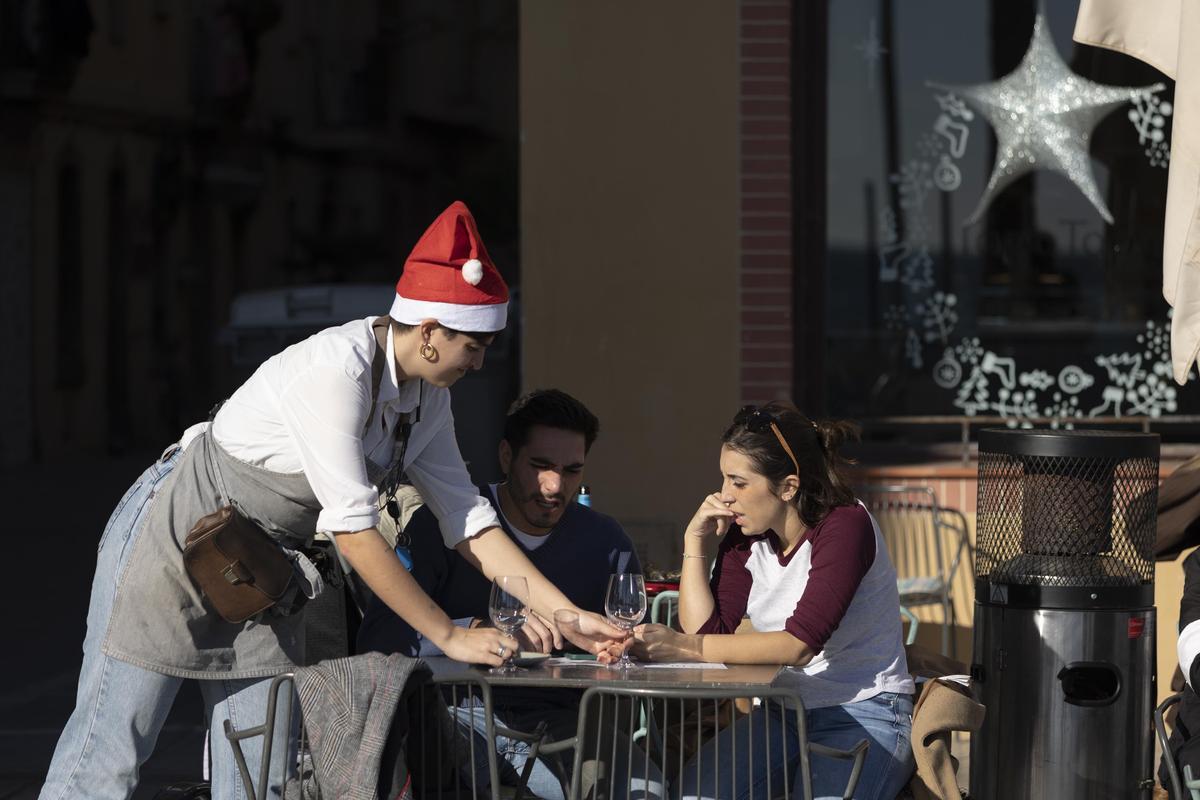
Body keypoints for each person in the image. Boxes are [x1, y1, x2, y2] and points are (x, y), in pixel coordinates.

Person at [40, 201, 624, 800]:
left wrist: (565, 616)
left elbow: (468, 519)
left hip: (264, 570)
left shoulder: (429, 399)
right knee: (110, 756)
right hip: (174, 539)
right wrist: (448, 636)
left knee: (259, 772)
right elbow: (353, 532)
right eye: (472, 345)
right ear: (428, 333)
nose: (480, 362)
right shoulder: (335, 371)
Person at [358, 388, 663, 800]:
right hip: (454, 717)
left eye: (572, 470)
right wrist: (471, 631)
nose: (554, 485)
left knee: (647, 789)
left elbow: (626, 651)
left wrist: (623, 648)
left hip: (562, 724)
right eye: (540, 466)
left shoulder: (605, 540)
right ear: (506, 456)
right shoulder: (443, 525)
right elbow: (378, 638)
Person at [632, 402, 915, 800]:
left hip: (867, 711)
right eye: (723, 479)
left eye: (739, 482)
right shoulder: (745, 532)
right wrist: (693, 542)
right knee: (694, 795)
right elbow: (710, 632)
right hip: (783, 710)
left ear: (788, 487)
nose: (724, 496)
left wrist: (683, 646)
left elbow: (798, 645)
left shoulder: (845, 525)